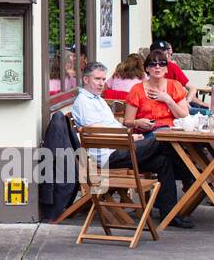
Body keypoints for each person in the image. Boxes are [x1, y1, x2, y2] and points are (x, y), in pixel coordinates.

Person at [71, 62, 192, 228]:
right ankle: (194, 175)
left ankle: (169, 214)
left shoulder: (96, 99)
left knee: (164, 160)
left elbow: (110, 125)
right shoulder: (84, 102)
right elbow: (94, 133)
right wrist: (126, 138)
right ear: (86, 79)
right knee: (163, 138)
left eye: (103, 79)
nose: (101, 83)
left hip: (120, 146)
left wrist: (131, 134)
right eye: (97, 79)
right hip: (110, 156)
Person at [124, 53, 190, 133]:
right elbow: (127, 122)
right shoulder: (137, 89)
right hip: (147, 134)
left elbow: (184, 116)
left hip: (172, 133)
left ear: (166, 69)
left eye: (162, 64)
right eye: (152, 64)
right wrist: (137, 122)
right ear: (147, 69)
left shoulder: (175, 85)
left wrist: (168, 100)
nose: (157, 67)